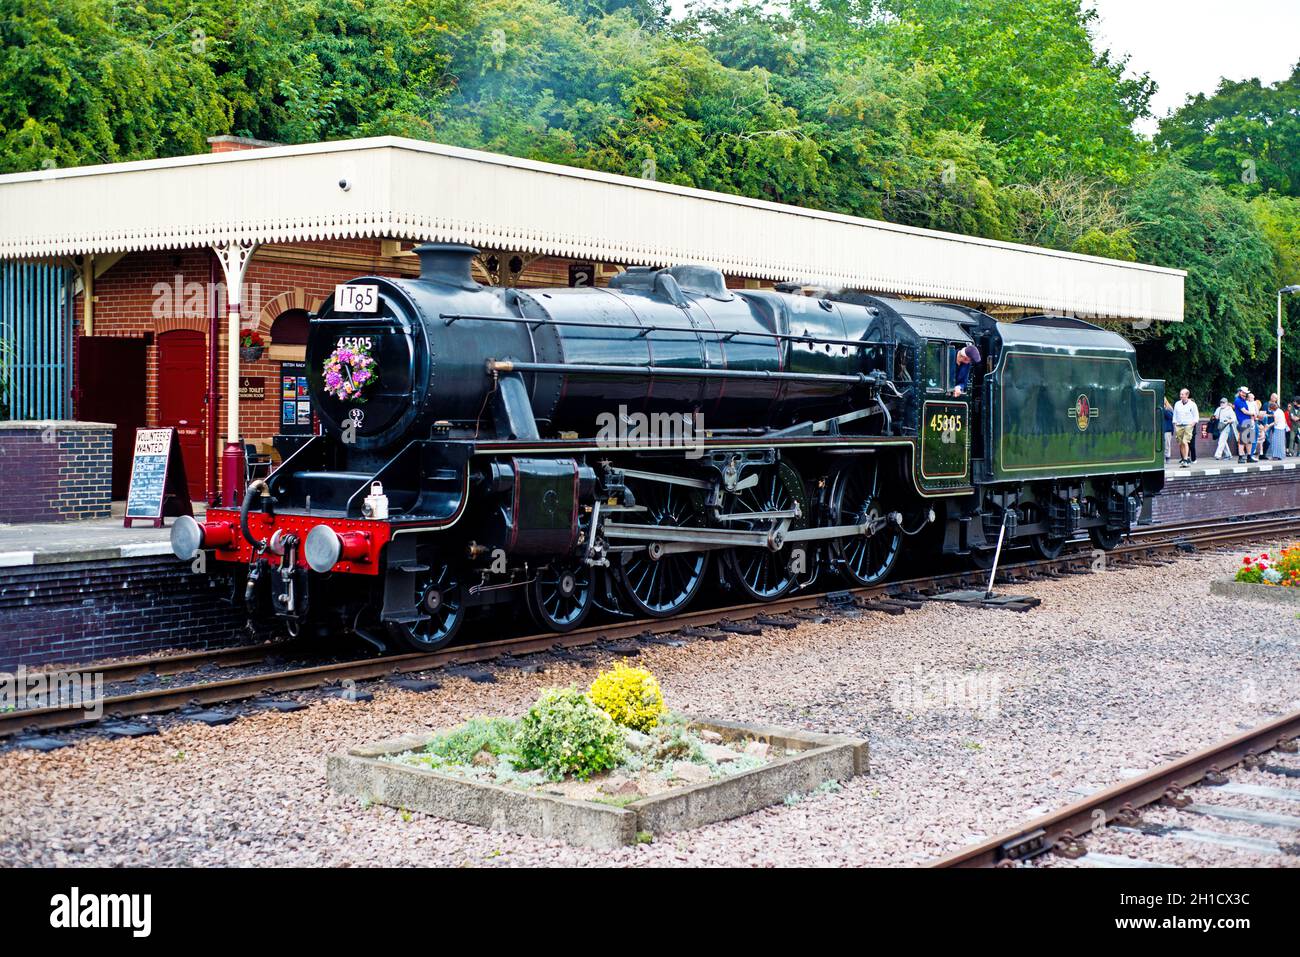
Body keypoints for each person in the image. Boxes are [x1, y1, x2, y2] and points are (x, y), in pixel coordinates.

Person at [1172, 388, 1199, 468]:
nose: (1181, 396)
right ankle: (1184, 459)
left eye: (1182, 394)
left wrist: (1192, 424)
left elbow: (1196, 416)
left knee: (1185, 441)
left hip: (1188, 425)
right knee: (1180, 443)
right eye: (1180, 394)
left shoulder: (1192, 404)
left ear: (1187, 395)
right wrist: (1175, 423)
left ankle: (1186, 459)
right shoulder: (1177, 404)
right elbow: (1175, 415)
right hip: (1179, 425)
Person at [1234, 386, 1256, 464]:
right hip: (1243, 422)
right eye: (1243, 393)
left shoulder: (1243, 400)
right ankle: (1240, 457)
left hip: (1248, 421)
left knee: (1249, 440)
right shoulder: (1238, 400)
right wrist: (1253, 413)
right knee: (1243, 441)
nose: (1245, 394)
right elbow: (1244, 411)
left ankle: (1249, 456)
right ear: (1240, 392)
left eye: (1246, 393)